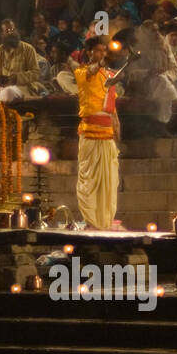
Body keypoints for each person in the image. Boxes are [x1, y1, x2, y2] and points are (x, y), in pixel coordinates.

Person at [74, 36, 120, 230]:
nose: (101, 54)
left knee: (109, 181)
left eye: (104, 50)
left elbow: (113, 110)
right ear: (89, 52)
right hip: (90, 134)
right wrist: (103, 61)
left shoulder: (109, 76)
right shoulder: (81, 72)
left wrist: (118, 132)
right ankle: (91, 221)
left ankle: (105, 221)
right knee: (90, 179)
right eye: (98, 50)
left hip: (107, 134)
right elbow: (93, 70)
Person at [0, 20, 44, 102]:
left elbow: (36, 73)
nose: (11, 33)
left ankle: (1, 97)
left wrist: (17, 78)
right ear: (2, 34)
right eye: (7, 31)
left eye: (12, 30)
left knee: (8, 92)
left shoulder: (28, 49)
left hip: (21, 87)